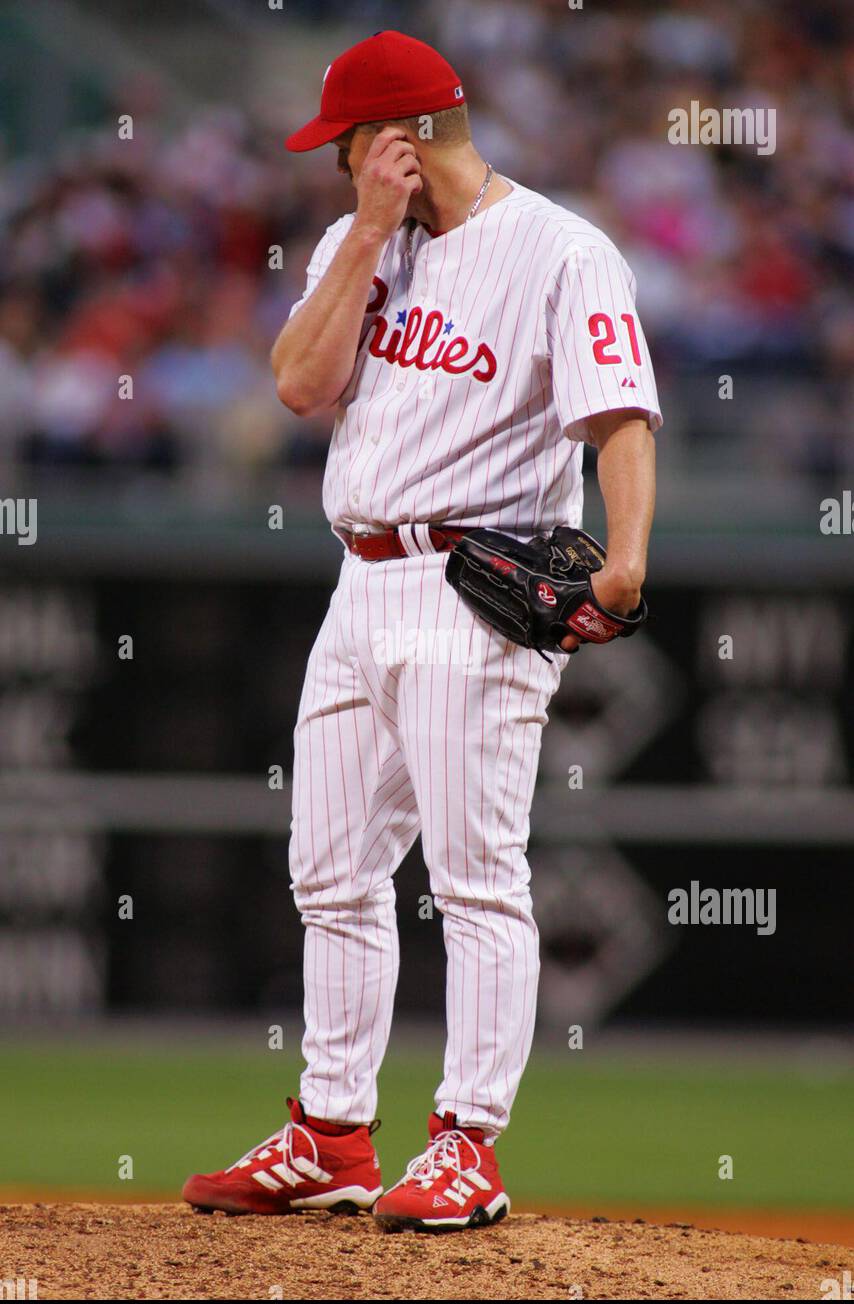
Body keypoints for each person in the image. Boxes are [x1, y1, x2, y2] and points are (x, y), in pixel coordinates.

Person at [183, 29, 660, 1232]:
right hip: (360, 584)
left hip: (475, 587)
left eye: (343, 140)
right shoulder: (365, 245)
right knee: (330, 872)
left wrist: (626, 561)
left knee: (473, 878)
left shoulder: (559, 250)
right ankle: (333, 1132)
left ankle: (467, 1143)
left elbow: (619, 419)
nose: (331, 160)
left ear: (394, 136)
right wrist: (358, 236)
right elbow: (298, 384)